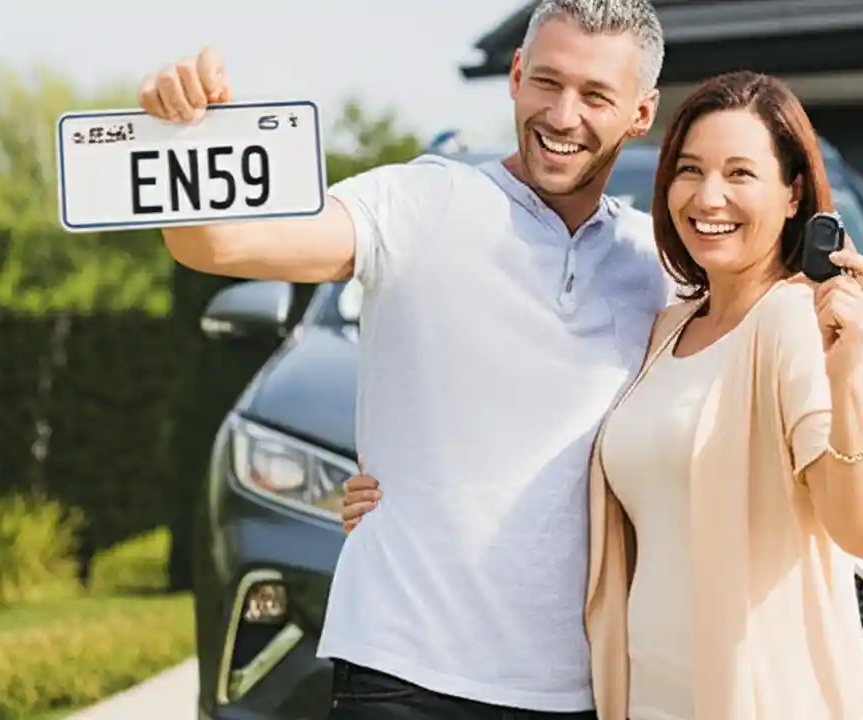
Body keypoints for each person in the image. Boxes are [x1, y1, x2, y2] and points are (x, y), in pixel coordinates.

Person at [138, 1, 678, 717]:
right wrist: (190, 138)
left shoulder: (657, 264)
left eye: (596, 95)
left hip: (577, 687)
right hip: (403, 671)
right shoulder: (420, 201)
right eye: (547, 82)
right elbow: (220, 245)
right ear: (515, 75)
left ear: (641, 113)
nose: (562, 113)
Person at [343, 71, 863, 719]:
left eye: (741, 174)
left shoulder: (792, 325)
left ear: (791, 194)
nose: (708, 197)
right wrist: (402, 498)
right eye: (690, 170)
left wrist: (847, 370)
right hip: (647, 695)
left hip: (751, 697)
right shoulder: (670, 324)